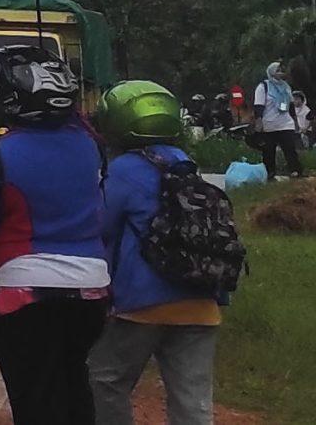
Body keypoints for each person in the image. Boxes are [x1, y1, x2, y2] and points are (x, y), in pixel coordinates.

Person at [0, 47, 109, 425]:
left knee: (37, 397)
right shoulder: (90, 146)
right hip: (92, 289)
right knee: (74, 382)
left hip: (22, 292)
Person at [88, 80, 226, 425]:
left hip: (143, 302)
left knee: (105, 379)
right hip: (202, 299)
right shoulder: (186, 164)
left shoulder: (124, 169)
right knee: (192, 401)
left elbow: (101, 227)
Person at [248, 61, 303, 177]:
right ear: (271, 73)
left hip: (285, 123)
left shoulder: (286, 87)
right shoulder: (263, 86)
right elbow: (259, 106)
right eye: (278, 71)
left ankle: (296, 171)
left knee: (290, 148)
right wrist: (259, 123)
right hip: (269, 124)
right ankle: (270, 173)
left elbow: (291, 106)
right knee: (268, 151)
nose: (281, 73)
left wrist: (295, 122)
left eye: (282, 71)